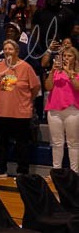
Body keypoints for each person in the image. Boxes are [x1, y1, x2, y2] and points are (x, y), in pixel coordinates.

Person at [0, 38, 40, 179]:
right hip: (0, 111)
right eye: (5, 49)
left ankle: (22, 171)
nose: (7, 51)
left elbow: (35, 87)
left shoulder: (26, 67)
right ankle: (1, 170)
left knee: (22, 144)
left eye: (10, 49)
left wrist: (28, 99)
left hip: (20, 112)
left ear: (17, 51)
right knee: (1, 143)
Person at [47, 44, 79, 172]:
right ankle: (56, 171)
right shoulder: (55, 71)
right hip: (54, 110)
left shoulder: (76, 73)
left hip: (72, 110)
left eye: (69, 56)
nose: (66, 58)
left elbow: (77, 87)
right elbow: (48, 86)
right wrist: (51, 72)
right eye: (64, 56)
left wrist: (69, 73)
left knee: (73, 143)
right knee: (57, 143)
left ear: (75, 58)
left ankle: (74, 172)